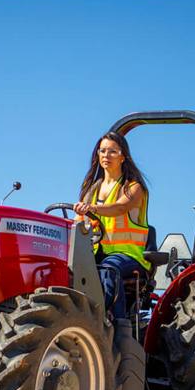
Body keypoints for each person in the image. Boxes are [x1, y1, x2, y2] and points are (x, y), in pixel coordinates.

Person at [74, 132, 151, 321]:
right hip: (94, 251)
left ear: (123, 156)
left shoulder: (133, 188)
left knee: (109, 270)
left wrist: (92, 208)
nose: (106, 155)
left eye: (112, 152)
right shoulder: (90, 189)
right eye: (102, 151)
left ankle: (117, 326)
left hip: (129, 255)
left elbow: (120, 207)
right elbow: (78, 221)